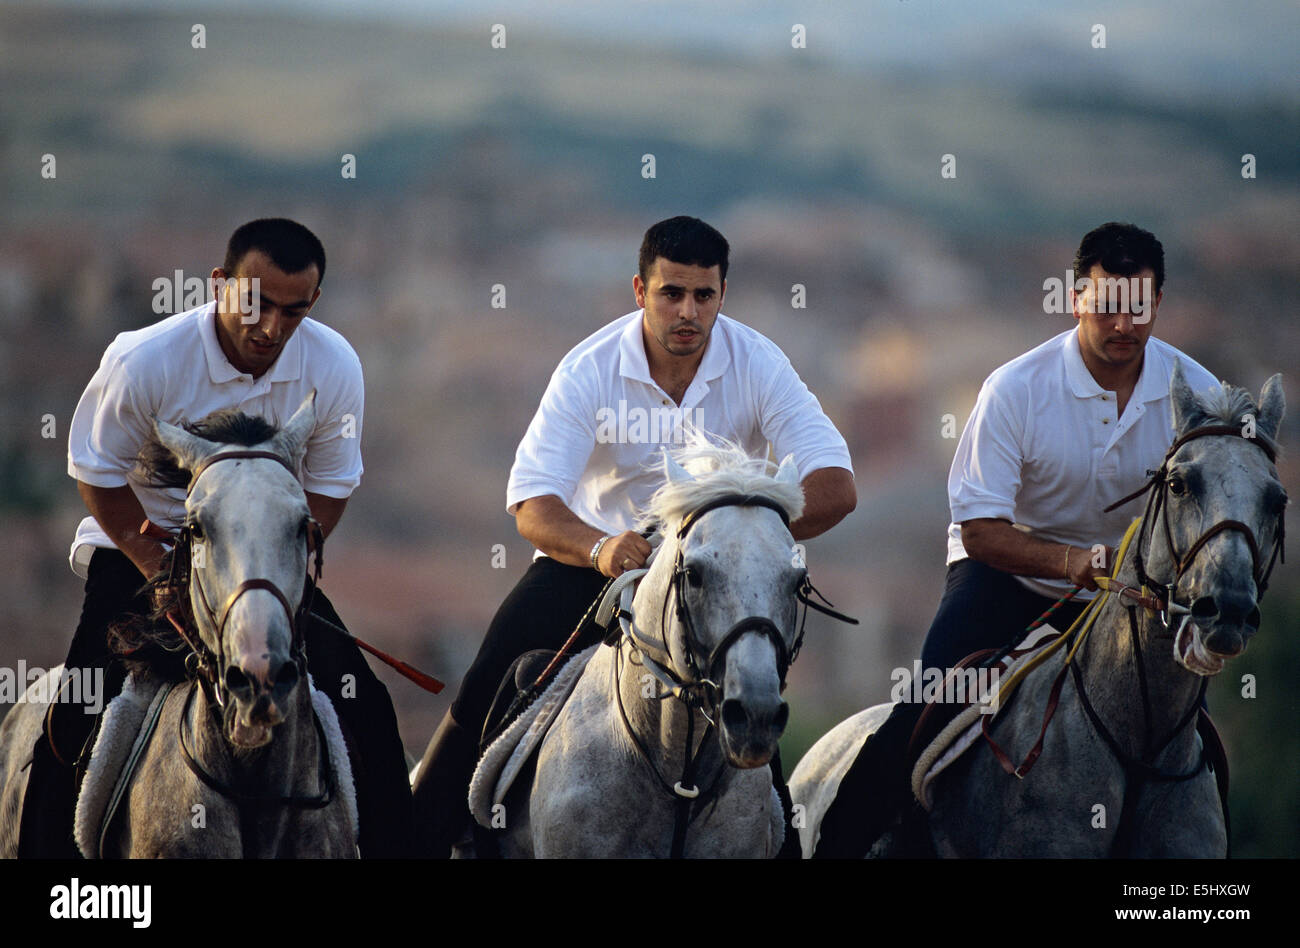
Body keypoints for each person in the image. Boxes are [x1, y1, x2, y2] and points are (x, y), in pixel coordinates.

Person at [412, 215, 858, 857]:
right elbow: (532, 505)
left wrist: (745, 527)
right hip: (594, 566)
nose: (688, 311)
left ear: (722, 295)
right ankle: (427, 833)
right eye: (671, 293)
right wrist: (600, 547)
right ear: (639, 291)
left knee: (752, 685)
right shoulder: (588, 368)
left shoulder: (760, 362)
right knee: (490, 673)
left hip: (714, 570)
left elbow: (837, 486)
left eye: (704, 295)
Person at [812, 221, 1220, 857]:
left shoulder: (1200, 398)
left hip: (1135, 599)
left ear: (1158, 304)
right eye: (1107, 307)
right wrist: (1071, 561)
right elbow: (979, 530)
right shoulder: (1015, 389)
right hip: (1008, 575)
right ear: (1077, 299)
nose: (1123, 326)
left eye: (1138, 309)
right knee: (925, 711)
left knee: (1195, 740)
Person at [19, 218, 413, 858]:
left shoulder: (334, 365)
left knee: (364, 704)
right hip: (142, 551)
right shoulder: (144, 359)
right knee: (76, 711)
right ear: (219, 285)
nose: (270, 328)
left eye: (293, 310)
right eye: (255, 302)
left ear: (313, 303)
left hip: (259, 567)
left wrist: (279, 563)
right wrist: (156, 563)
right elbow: (96, 471)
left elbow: (331, 489)